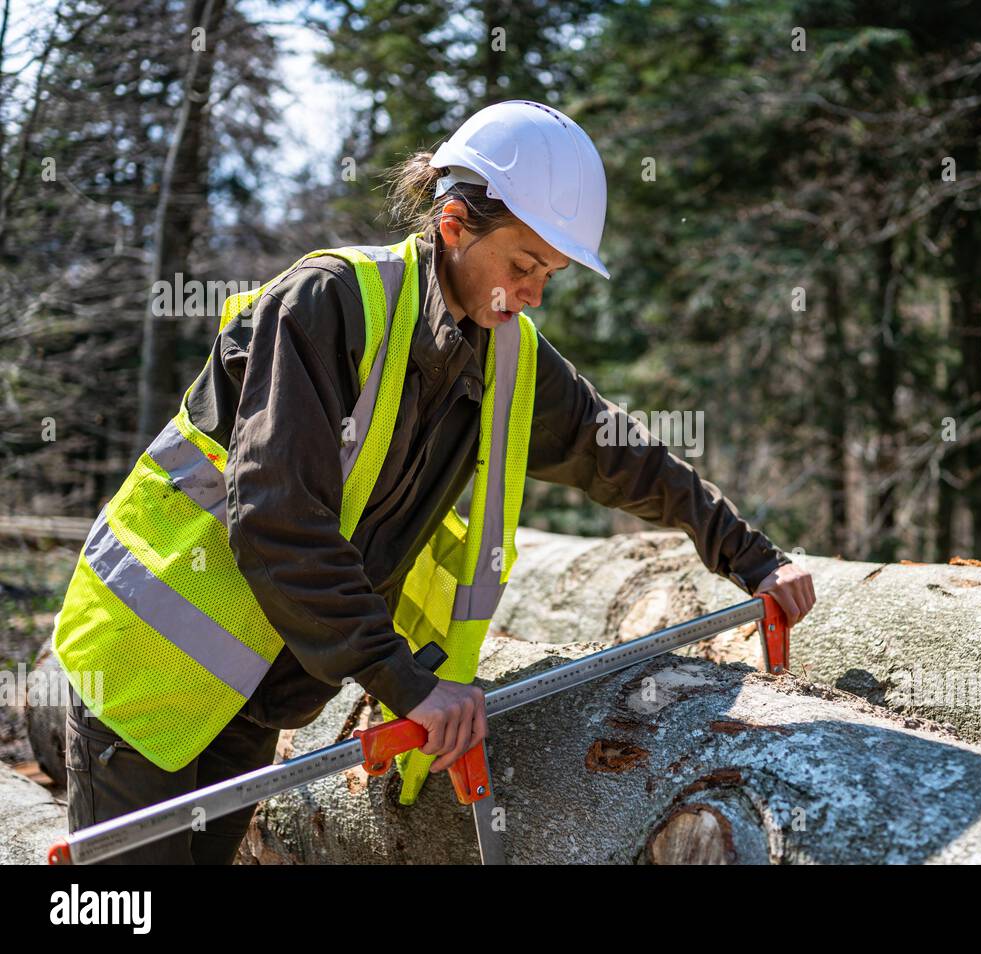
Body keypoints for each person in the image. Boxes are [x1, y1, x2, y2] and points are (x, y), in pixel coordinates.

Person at [54, 99, 815, 863]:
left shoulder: (508, 355)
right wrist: (402, 681)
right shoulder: (329, 304)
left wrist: (751, 557)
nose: (534, 294)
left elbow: (618, 452)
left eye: (548, 274)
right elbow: (278, 516)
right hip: (146, 671)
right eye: (523, 266)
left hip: (257, 693)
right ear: (454, 224)